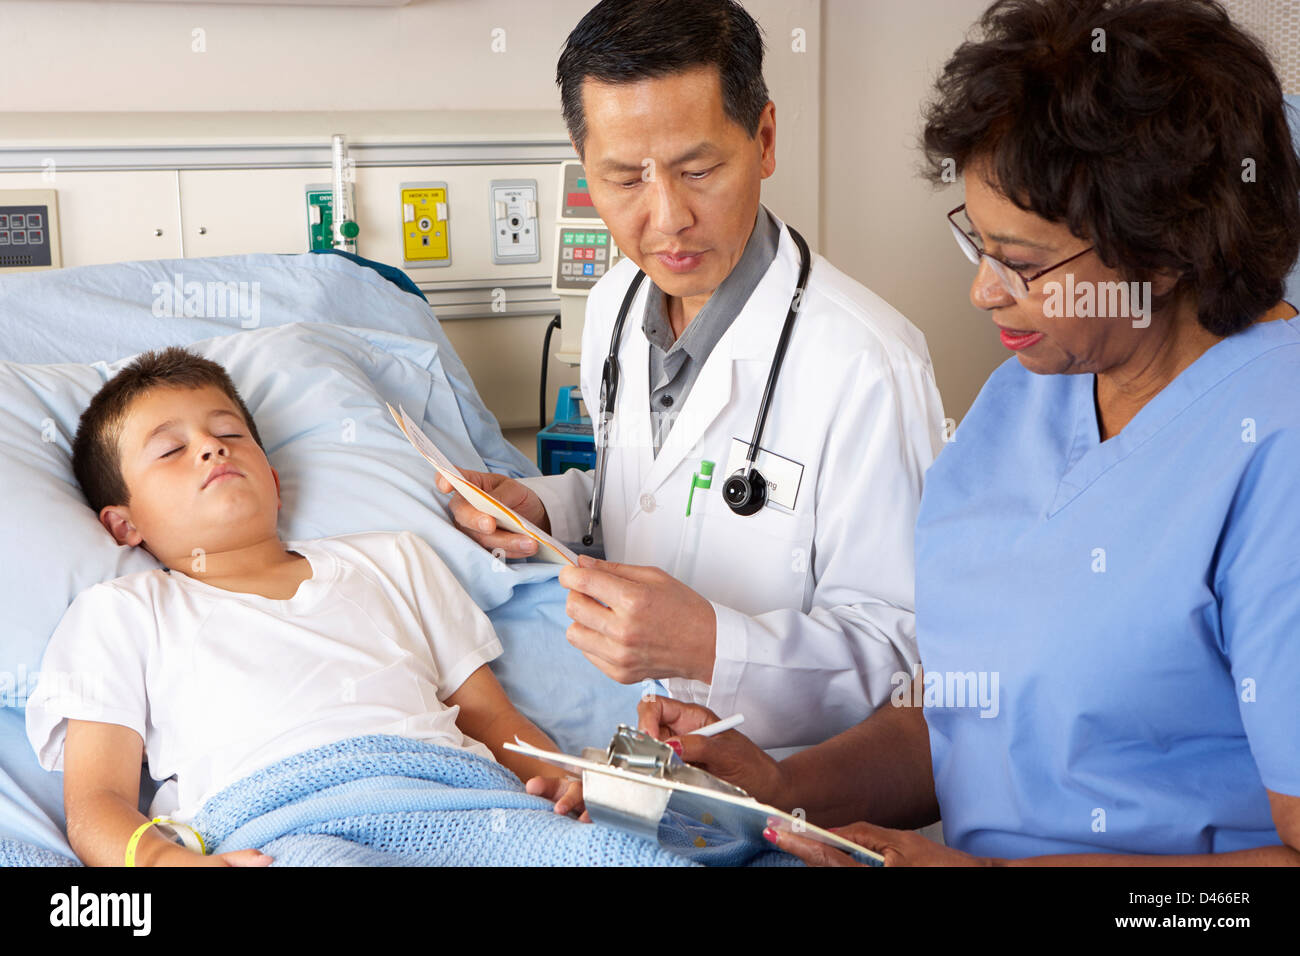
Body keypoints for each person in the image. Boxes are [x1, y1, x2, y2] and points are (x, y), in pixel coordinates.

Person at [634, 0, 1300, 865]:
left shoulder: (1273, 450)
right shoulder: (1021, 401)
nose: (984, 293)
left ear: (1168, 251)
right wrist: (781, 790)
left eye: (1021, 264)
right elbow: (967, 718)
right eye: (976, 244)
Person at [437, 0, 945, 760]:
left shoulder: (870, 364)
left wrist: (711, 646)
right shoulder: (614, 303)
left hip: (797, 782)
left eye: (697, 169)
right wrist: (542, 506)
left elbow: (905, 658)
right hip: (637, 748)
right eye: (624, 178)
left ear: (764, 140)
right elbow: (643, 494)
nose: (667, 217)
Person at [25, 348, 584, 866]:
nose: (211, 447)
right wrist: (167, 863)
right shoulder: (121, 612)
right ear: (123, 523)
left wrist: (569, 786)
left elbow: (492, 719)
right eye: (172, 449)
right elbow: (97, 801)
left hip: (468, 805)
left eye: (228, 433)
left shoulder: (393, 558)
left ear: (273, 481)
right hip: (278, 831)